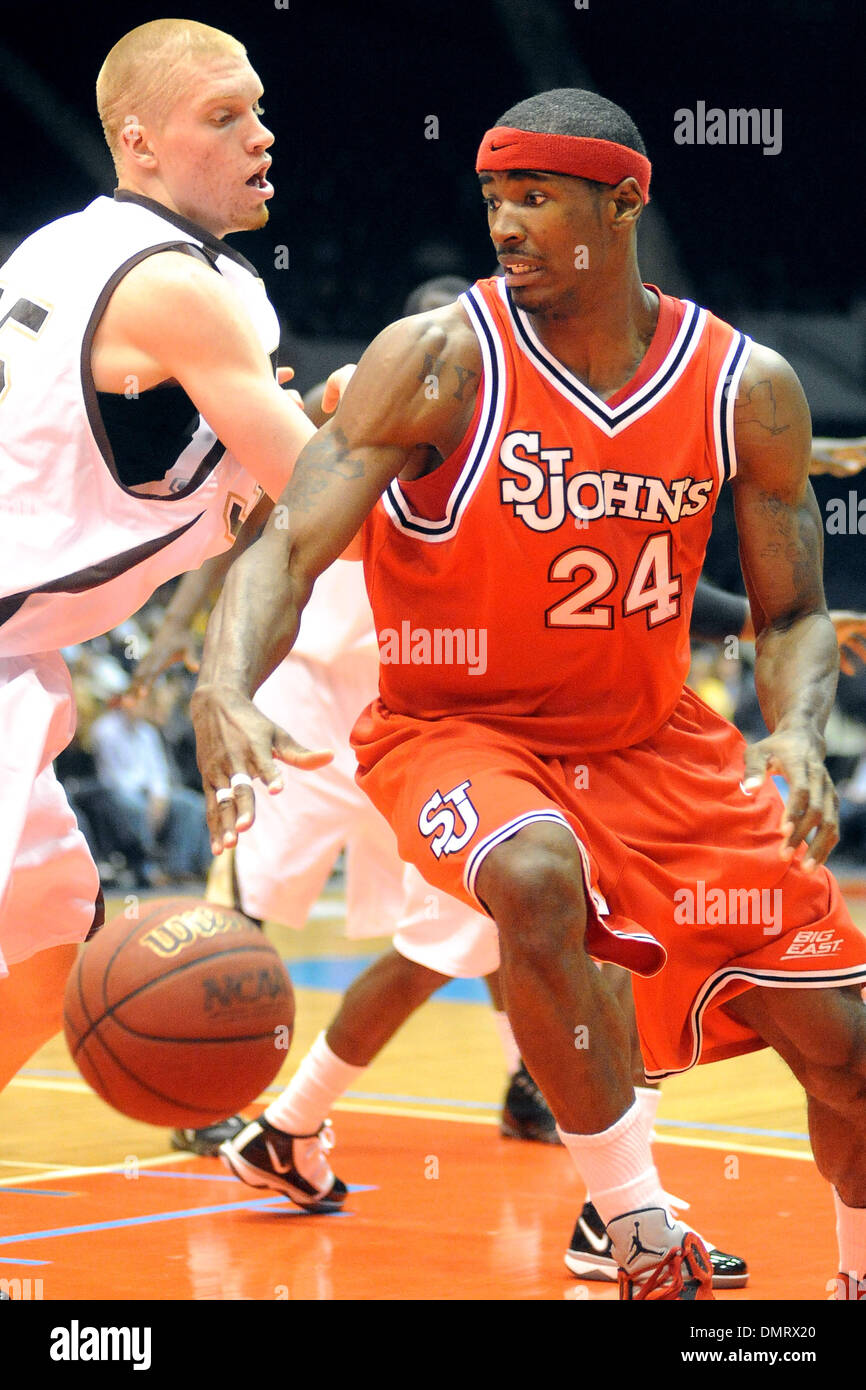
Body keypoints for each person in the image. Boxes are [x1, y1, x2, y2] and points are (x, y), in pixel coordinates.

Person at [191, 88, 866, 1301]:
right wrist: (221, 680)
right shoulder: (440, 358)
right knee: (534, 878)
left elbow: (791, 611)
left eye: (534, 196)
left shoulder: (742, 384)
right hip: (457, 732)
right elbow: (288, 545)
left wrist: (802, 732)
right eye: (493, 196)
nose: (503, 221)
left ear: (623, 201)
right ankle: (635, 1225)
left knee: (848, 1053)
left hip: (656, 745)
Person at [0, 17, 354, 1092]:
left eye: (256, 109)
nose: (261, 135)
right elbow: (322, 498)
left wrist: (265, 448)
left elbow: (225, 492)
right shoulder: (176, 287)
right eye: (223, 115)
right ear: (139, 139)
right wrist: (374, 420)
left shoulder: (67, 243)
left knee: (53, 924)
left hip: (23, 655)